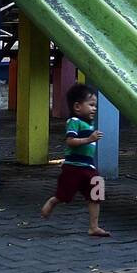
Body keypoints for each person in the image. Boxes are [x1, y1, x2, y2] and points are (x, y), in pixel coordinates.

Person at [41, 83, 109, 237]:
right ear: (77, 107)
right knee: (65, 194)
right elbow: (70, 141)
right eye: (91, 105)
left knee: (97, 192)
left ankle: (94, 226)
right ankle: (53, 200)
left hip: (88, 167)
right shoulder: (74, 122)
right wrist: (89, 139)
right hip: (73, 167)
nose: (94, 109)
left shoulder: (89, 124)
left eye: (95, 106)